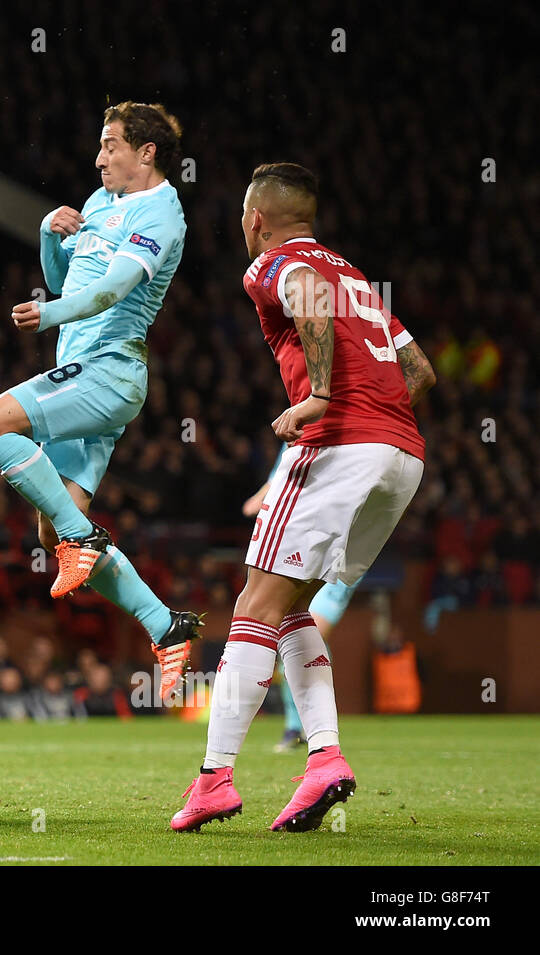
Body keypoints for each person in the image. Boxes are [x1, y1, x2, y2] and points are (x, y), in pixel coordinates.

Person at [171, 163, 435, 833]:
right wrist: (376, 422)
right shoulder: (359, 278)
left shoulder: (274, 263)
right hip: (400, 454)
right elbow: (419, 372)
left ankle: (213, 779)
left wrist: (322, 396)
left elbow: (307, 295)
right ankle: (324, 759)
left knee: (254, 603)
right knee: (292, 609)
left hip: (339, 442)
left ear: (257, 219)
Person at [0, 102, 201, 698]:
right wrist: (48, 234)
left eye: (111, 146)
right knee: (52, 535)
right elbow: (64, 277)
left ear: (146, 153)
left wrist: (47, 317)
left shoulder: (162, 214)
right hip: (78, 371)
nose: (99, 158)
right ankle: (165, 625)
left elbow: (109, 293)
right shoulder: (99, 204)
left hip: (109, 371)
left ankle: (86, 538)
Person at [242, 446, 362, 751]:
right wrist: (259, 500)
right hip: (306, 548)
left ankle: (318, 727)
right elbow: (281, 474)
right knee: (293, 638)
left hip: (341, 555)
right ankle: (299, 728)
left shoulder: (351, 430)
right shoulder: (301, 427)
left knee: (308, 633)